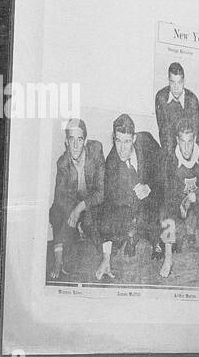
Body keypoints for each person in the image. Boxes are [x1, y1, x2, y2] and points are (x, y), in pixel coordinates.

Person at [98, 113, 163, 281]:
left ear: (134, 139)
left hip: (154, 194)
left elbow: (165, 172)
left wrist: (150, 187)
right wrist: (106, 258)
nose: (122, 149)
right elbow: (108, 209)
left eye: (127, 141)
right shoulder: (111, 164)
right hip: (130, 204)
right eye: (118, 141)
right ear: (114, 138)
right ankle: (133, 229)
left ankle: (155, 237)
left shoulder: (147, 142)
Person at [158, 118, 199, 280]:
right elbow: (167, 196)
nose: (186, 147)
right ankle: (168, 257)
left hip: (198, 202)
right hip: (180, 204)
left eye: (190, 142)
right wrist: (181, 205)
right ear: (177, 140)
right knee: (165, 214)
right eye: (182, 142)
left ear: (195, 139)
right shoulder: (170, 159)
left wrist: (194, 197)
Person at [48, 118, 104, 280]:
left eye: (79, 140)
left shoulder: (96, 150)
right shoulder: (62, 163)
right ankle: (58, 258)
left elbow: (101, 193)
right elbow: (60, 199)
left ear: (85, 141)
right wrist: (73, 212)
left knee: (94, 243)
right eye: (71, 140)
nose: (75, 145)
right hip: (72, 207)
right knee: (55, 211)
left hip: (92, 204)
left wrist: (80, 208)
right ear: (66, 142)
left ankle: (83, 231)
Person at [154, 61, 199, 160]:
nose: (176, 87)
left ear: (184, 81)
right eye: (172, 82)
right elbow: (164, 132)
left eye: (179, 82)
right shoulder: (161, 97)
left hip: (188, 147)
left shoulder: (192, 100)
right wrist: (174, 159)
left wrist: (187, 154)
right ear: (168, 81)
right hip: (169, 150)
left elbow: (195, 133)